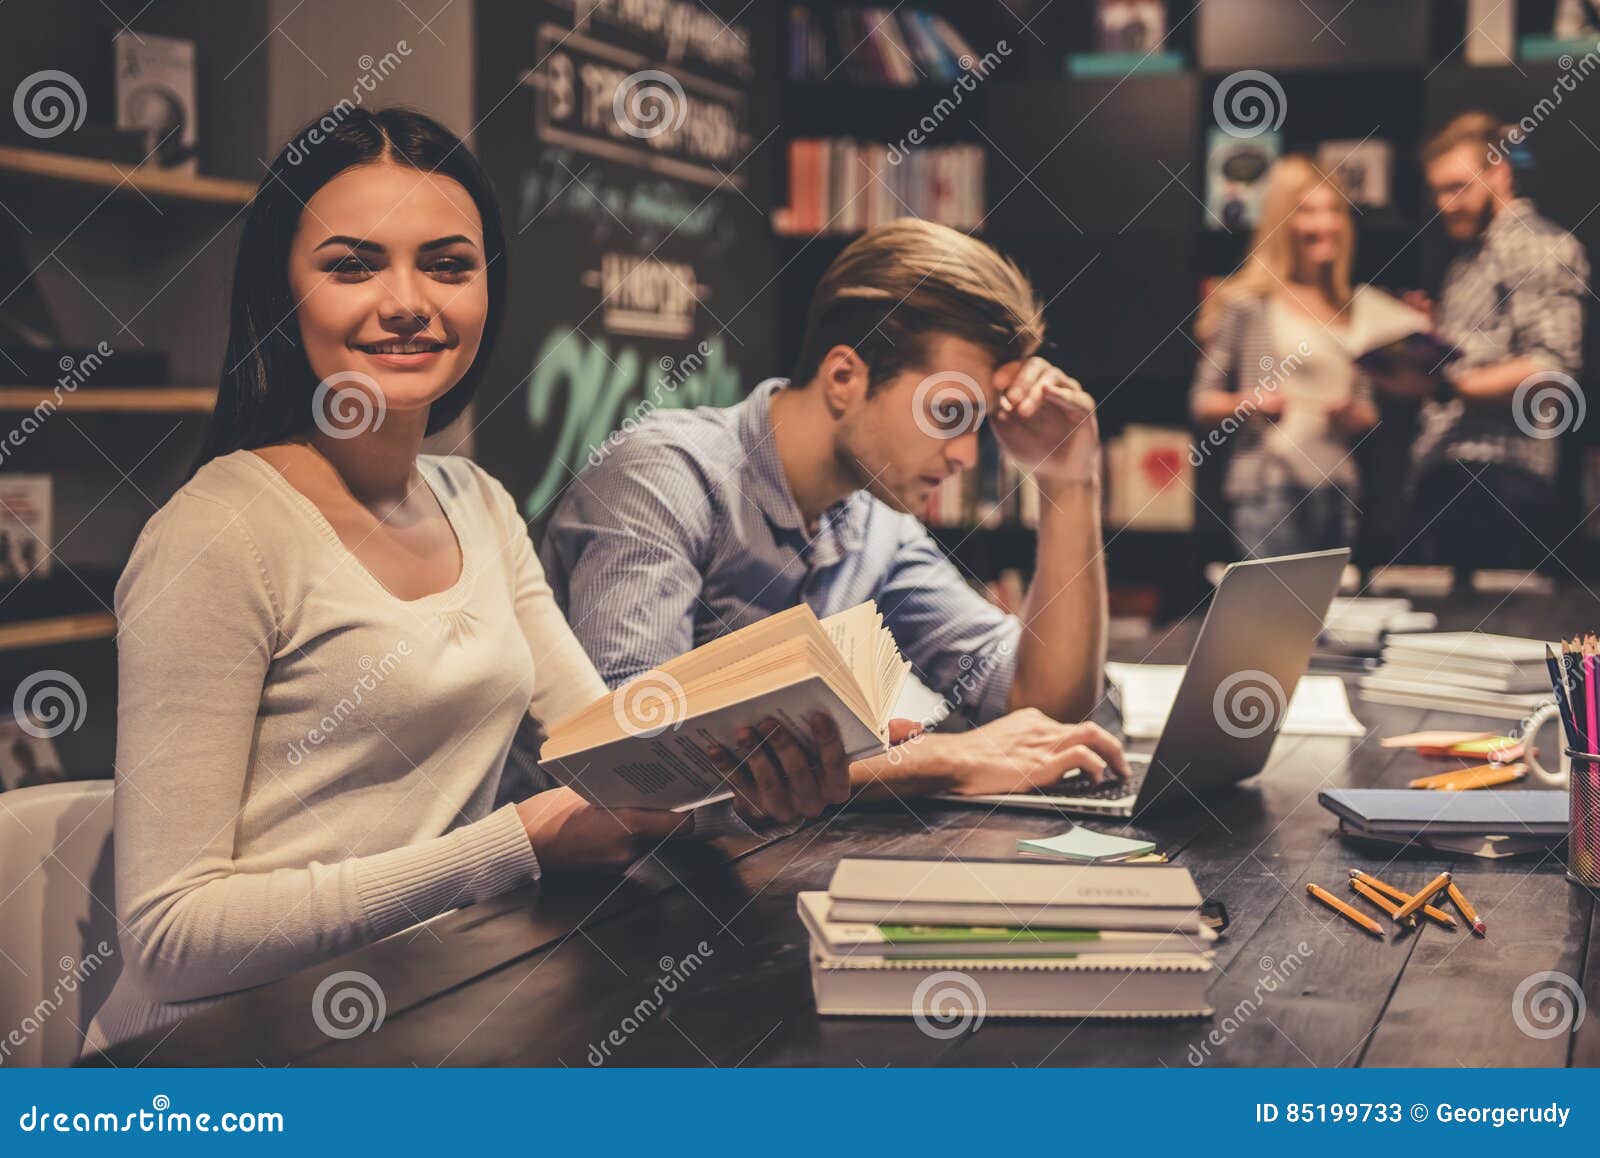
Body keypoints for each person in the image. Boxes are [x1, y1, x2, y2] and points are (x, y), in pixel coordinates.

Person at [85, 107, 843, 1053]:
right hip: (215, 1062)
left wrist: (754, 783)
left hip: (412, 1018)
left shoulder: (476, 502)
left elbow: (612, 754)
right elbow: (170, 941)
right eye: (352, 266)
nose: (407, 302)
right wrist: (515, 843)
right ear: (282, 291)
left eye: (447, 265)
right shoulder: (214, 534)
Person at [539, 218, 1131, 805]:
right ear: (845, 377)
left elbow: (1045, 712)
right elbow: (638, 764)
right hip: (567, 866)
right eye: (949, 413)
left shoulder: (877, 525)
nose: (966, 455)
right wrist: (940, 761)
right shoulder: (664, 478)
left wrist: (1069, 482)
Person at [1381, 111, 1588, 577]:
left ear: (1500, 172)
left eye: (1458, 187)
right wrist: (1425, 335)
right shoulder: (1469, 259)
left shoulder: (1535, 245)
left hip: (1498, 481)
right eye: (1438, 191)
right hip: (1452, 473)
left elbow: (1552, 369)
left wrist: (1446, 387)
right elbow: (1477, 352)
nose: (1445, 204)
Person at [1190, 156, 1380, 559]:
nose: (1325, 224)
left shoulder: (1355, 308)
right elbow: (1202, 401)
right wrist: (1253, 403)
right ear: (1283, 221)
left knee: (1333, 602)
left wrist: (1352, 415)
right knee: (1273, 600)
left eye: (1333, 211)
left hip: (1340, 489)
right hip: (1272, 488)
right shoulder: (1249, 303)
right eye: (1308, 211)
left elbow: (1367, 408)